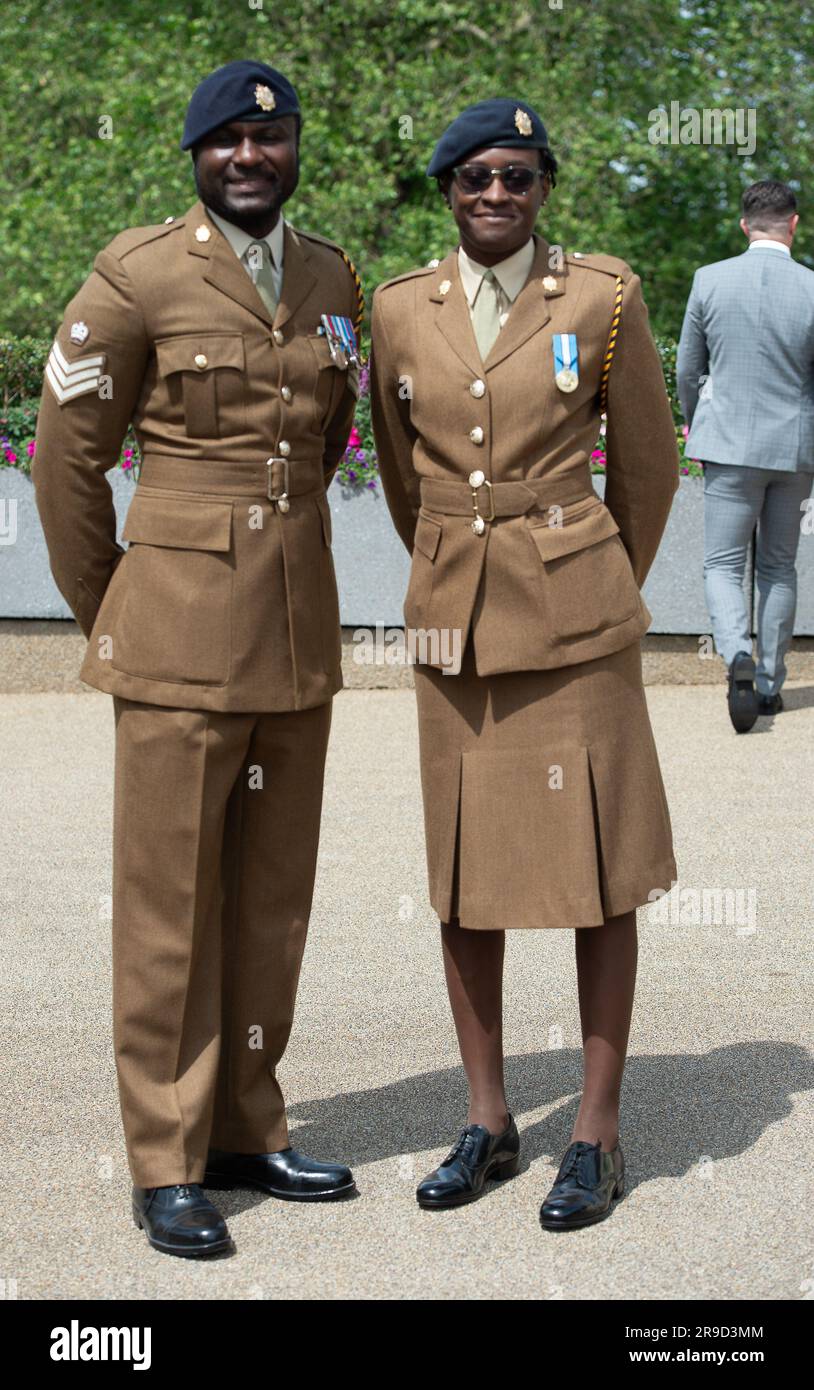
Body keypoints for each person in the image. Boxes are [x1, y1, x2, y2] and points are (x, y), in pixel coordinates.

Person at [32, 60, 363, 1258]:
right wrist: (114, 610)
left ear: (291, 155)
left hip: (291, 635)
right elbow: (63, 459)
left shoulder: (330, 275)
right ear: (195, 155)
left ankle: (245, 1122)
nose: (248, 158)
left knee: (271, 905)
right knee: (170, 907)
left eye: (268, 142)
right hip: (175, 639)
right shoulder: (137, 273)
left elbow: (321, 443)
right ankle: (166, 1157)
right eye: (226, 141)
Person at [369, 98, 679, 1230]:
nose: (495, 195)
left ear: (544, 186)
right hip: (454, 614)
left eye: (517, 177)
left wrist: (589, 576)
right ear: (446, 189)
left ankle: (594, 1131)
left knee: (599, 868)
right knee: (462, 876)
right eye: (474, 178)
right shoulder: (401, 307)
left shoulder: (601, 297)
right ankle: (489, 1118)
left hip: (576, 616)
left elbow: (648, 464)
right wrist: (459, 560)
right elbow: (404, 480)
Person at [677, 180, 814, 733]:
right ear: (794, 224)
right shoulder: (812, 287)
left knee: (722, 564)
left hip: (729, 447)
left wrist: (698, 422)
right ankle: (768, 684)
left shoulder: (709, 280)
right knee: (779, 566)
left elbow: (688, 368)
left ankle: (735, 652)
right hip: (795, 450)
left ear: (743, 225)